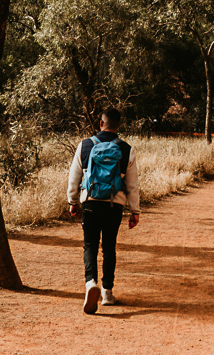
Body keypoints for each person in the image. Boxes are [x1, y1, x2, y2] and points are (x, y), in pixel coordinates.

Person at [67, 107, 140, 314]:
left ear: (101, 123)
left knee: (89, 245)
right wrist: (135, 211)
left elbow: (75, 177)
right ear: (118, 126)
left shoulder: (85, 145)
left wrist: (73, 201)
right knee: (109, 247)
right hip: (113, 204)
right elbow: (132, 185)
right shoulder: (126, 149)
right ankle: (107, 292)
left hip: (90, 201)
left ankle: (91, 283)